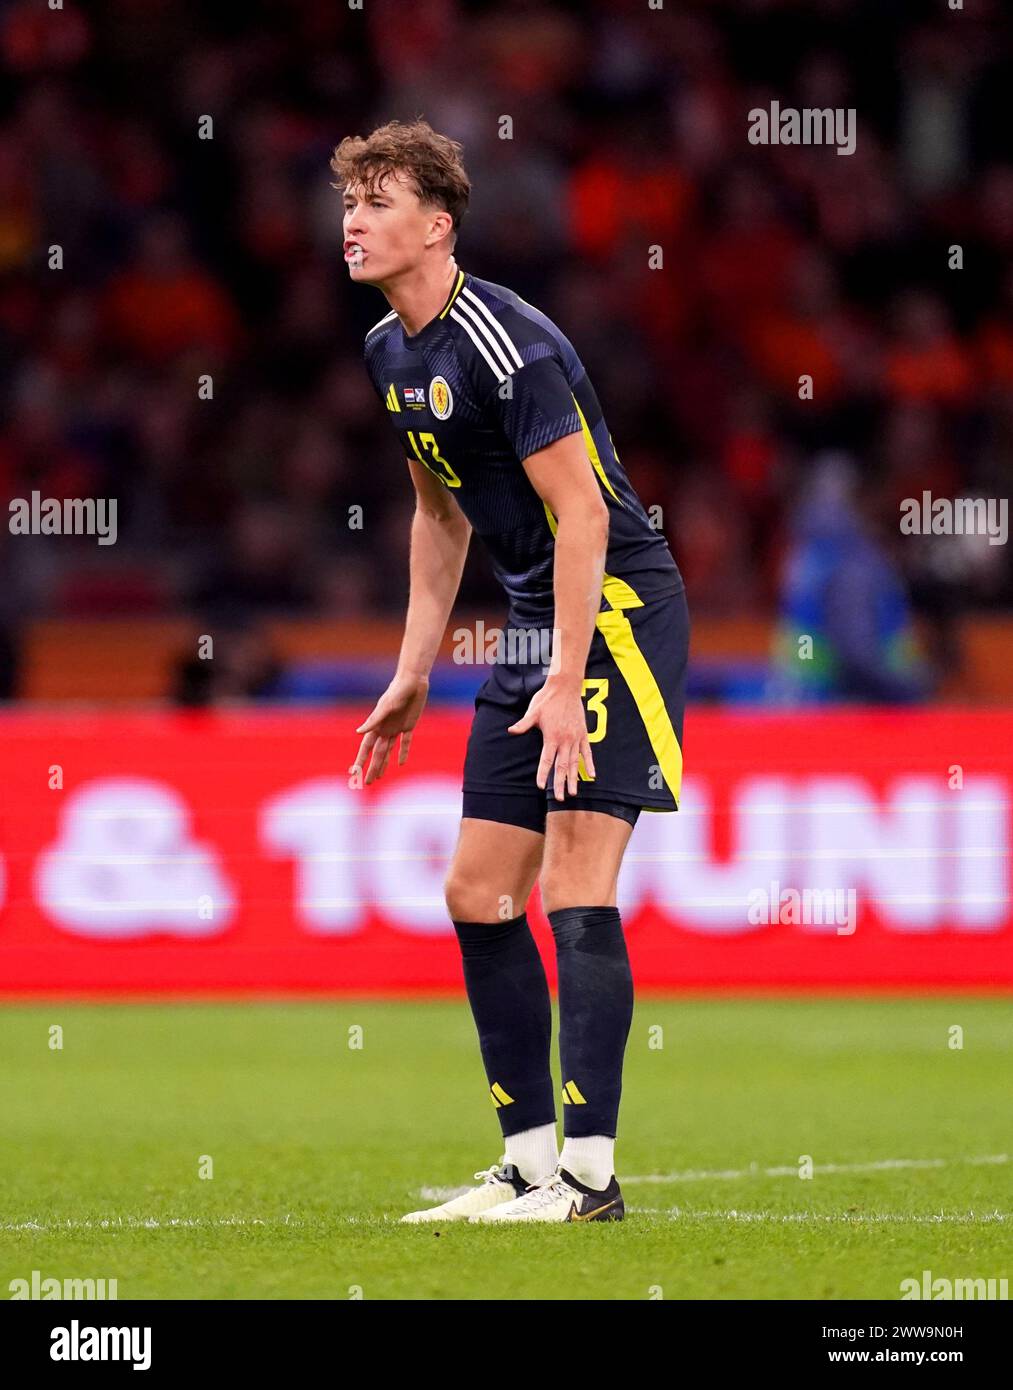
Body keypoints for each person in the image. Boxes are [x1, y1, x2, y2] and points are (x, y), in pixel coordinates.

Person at [336, 118, 689, 1223]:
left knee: (578, 886)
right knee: (477, 892)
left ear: (437, 227)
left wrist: (564, 675)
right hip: (532, 618)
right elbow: (435, 513)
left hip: (612, 609)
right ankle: (528, 1164)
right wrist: (412, 669)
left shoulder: (506, 343)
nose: (352, 221)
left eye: (378, 203)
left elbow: (582, 515)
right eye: (349, 202)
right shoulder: (388, 350)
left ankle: (588, 1177)